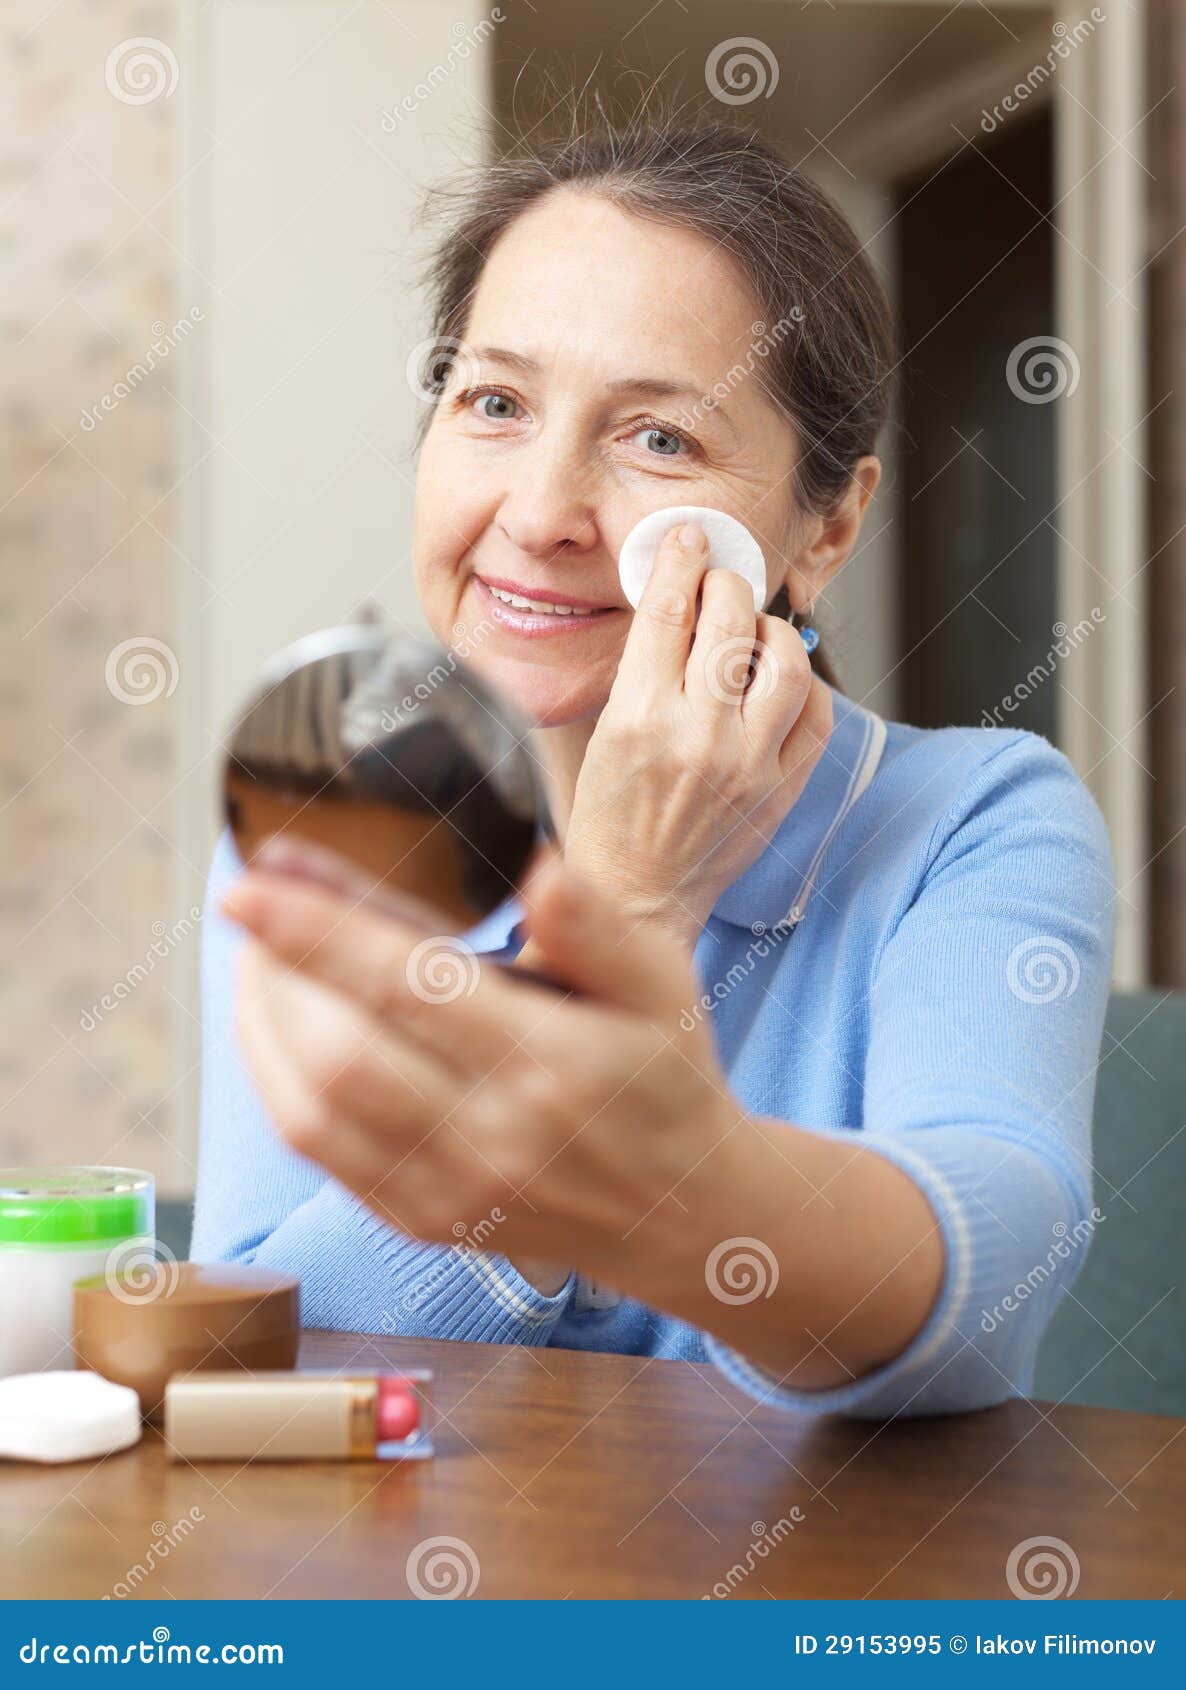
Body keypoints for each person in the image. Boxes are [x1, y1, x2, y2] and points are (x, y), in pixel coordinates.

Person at [193, 114, 1115, 1418]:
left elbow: (981, 1293)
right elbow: (259, 1363)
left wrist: (622, 935)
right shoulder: (318, 819)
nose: (538, 513)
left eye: (658, 440)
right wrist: (624, 901)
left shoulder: (970, 820)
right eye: (495, 403)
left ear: (826, 525)